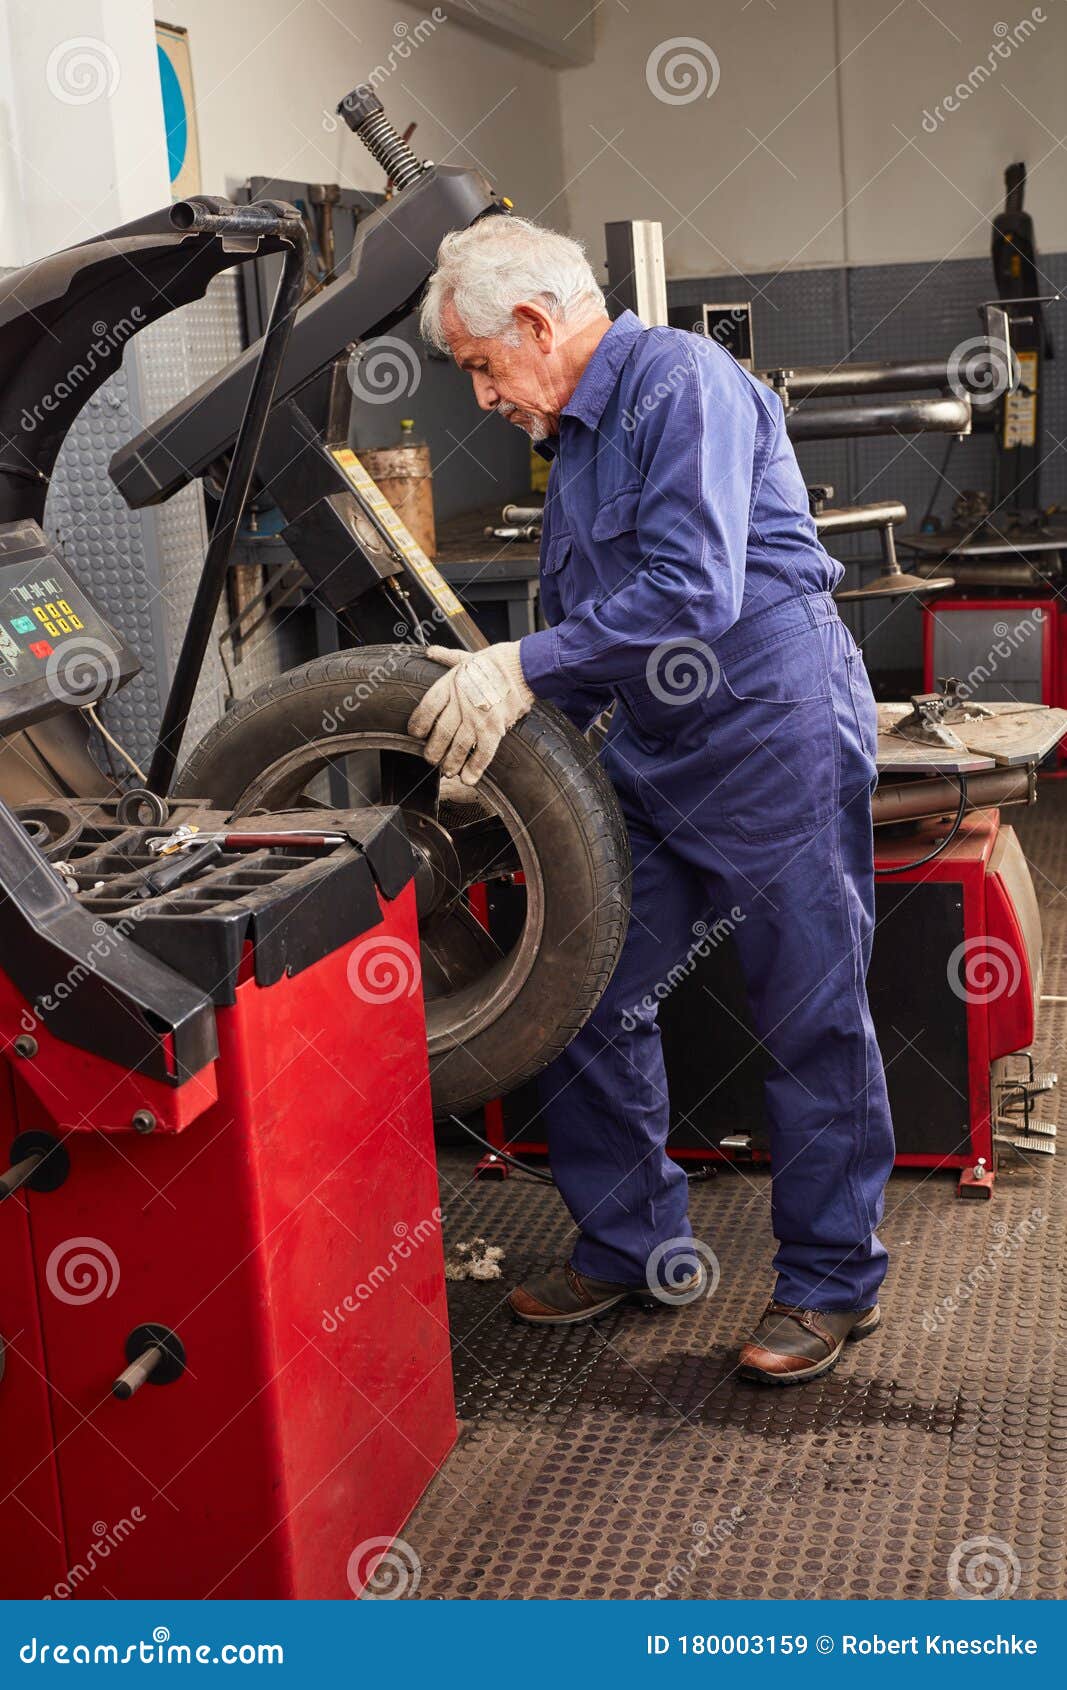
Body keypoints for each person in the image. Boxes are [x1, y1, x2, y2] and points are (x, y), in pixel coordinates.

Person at [408, 216, 894, 1385]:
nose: (479, 396)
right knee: (577, 987)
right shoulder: (571, 438)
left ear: (533, 323)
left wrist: (517, 666)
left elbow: (687, 590)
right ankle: (629, 1241)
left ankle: (831, 1281)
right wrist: (529, 743)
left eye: (479, 364)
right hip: (654, 742)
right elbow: (599, 624)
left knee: (807, 1006)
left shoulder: (680, 384)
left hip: (768, 717)